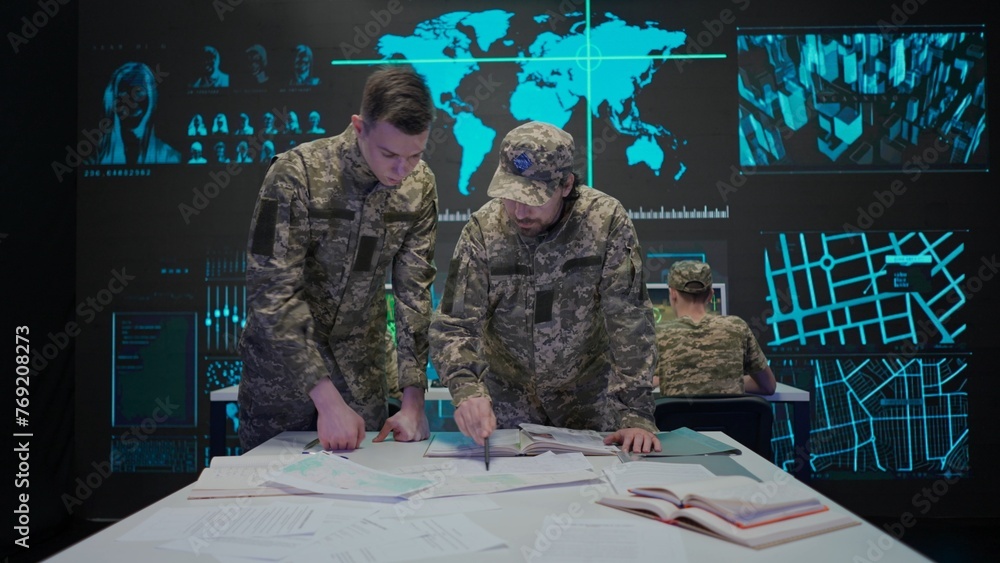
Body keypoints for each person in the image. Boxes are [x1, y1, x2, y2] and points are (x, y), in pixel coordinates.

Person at [430, 121, 661, 454]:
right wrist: (467, 390)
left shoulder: (604, 222)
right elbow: (454, 325)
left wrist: (636, 414)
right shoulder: (484, 229)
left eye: (533, 198)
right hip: (507, 413)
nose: (519, 211)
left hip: (589, 409)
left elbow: (631, 324)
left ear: (565, 184)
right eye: (510, 195)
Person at [238, 66, 438, 451]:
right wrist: (328, 403)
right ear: (360, 127)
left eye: (415, 155)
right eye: (389, 154)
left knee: (367, 500)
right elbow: (271, 291)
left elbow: (414, 295)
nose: (402, 170)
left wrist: (414, 402)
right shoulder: (297, 174)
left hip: (362, 380)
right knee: (278, 502)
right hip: (282, 382)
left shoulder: (420, 185)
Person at [655, 260, 777, 396]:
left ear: (672, 293)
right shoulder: (737, 327)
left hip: (677, 418)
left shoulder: (658, 333)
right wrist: (725, 380)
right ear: (711, 294)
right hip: (728, 417)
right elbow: (769, 386)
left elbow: (636, 386)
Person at [94, 62, 180, 164]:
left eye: (139, 92)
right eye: (124, 93)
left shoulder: (170, 158)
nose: (132, 102)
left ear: (151, 99)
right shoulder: (94, 158)